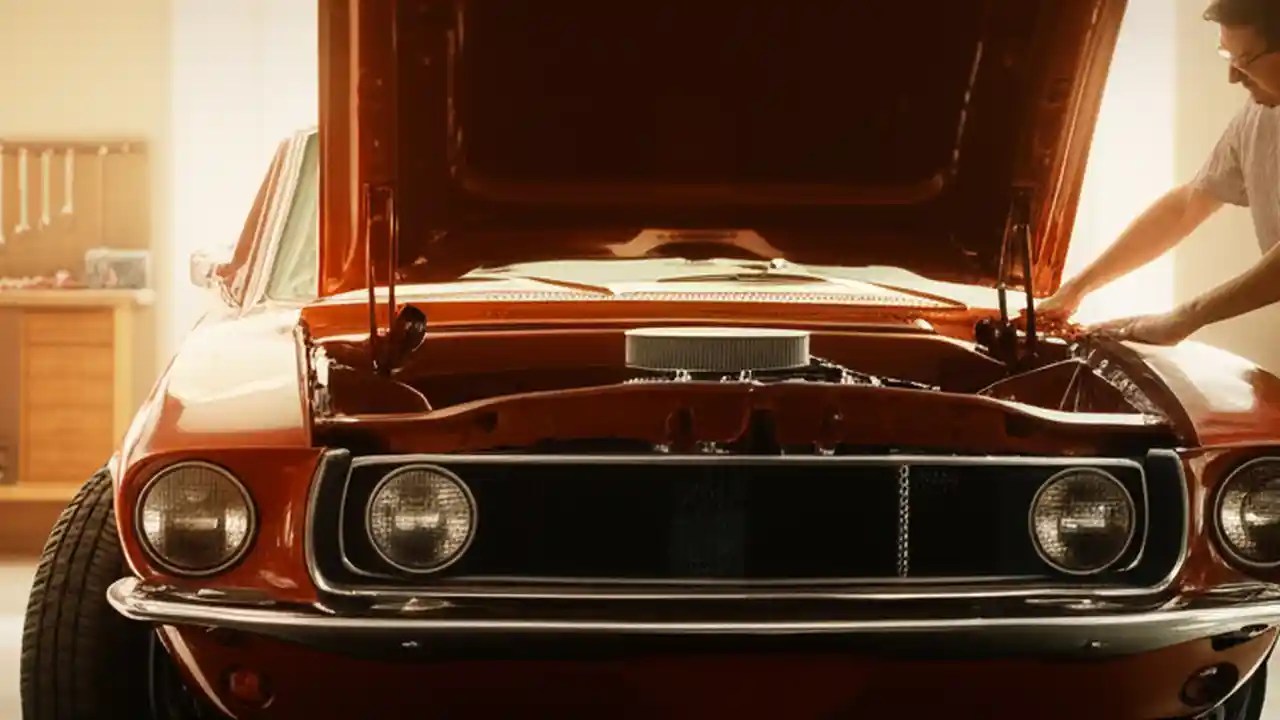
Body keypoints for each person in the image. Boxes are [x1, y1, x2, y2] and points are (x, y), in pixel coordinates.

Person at [1035, 0, 1280, 345]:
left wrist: (1182, 318)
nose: (1232, 77)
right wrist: (1078, 288)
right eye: (1228, 57)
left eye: (1246, 60)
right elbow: (1187, 206)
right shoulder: (1258, 115)